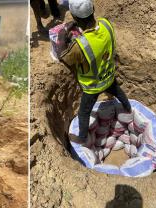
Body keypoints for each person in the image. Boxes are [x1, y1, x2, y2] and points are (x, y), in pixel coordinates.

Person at [58, 0, 131, 143]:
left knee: (83, 113)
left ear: (74, 17)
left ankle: (82, 138)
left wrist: (63, 33)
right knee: (118, 91)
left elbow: (63, 56)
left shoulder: (80, 45)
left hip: (93, 87)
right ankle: (128, 108)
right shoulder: (106, 24)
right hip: (108, 76)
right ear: (93, 9)